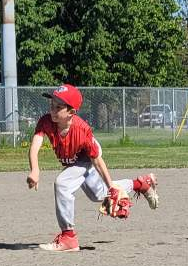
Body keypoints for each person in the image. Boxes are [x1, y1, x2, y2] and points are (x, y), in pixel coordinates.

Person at [27, 83, 159, 252]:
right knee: (98, 194)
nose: (52, 109)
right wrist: (35, 169)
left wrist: (111, 185)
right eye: (52, 104)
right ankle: (141, 184)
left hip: (87, 157)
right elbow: (35, 144)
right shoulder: (46, 121)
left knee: (62, 183)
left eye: (58, 107)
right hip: (75, 160)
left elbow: (97, 161)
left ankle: (69, 238)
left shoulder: (82, 130)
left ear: (71, 113)